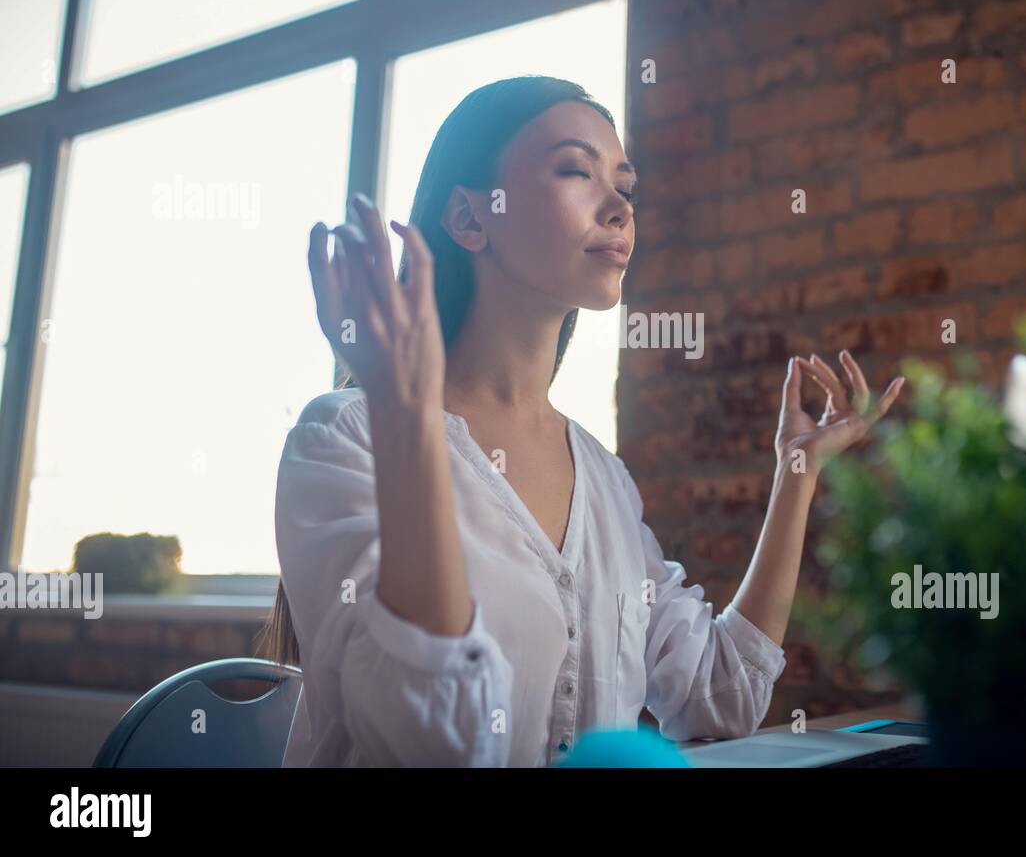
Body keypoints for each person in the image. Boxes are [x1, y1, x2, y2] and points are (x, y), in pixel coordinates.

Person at [266, 75, 903, 766]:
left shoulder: (604, 478)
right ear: (470, 218)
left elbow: (717, 698)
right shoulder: (346, 436)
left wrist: (796, 474)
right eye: (576, 170)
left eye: (625, 187)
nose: (620, 208)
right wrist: (404, 407)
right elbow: (432, 745)